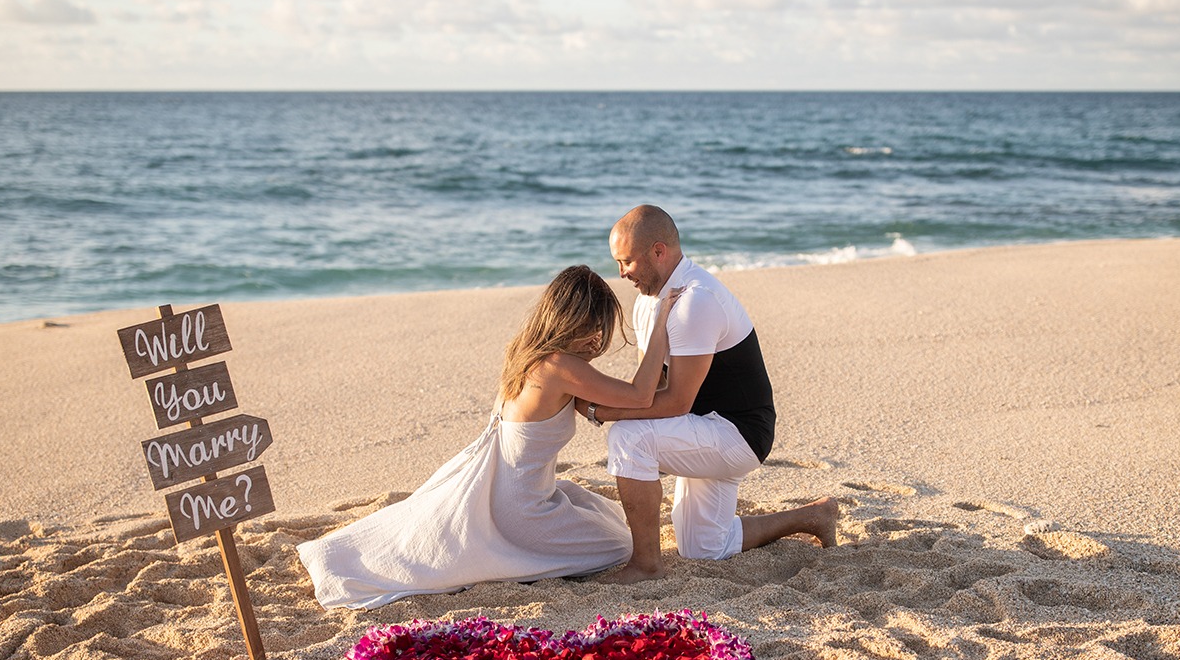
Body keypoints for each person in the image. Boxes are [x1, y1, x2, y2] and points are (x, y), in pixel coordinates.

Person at [298, 265, 684, 608]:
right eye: (594, 326)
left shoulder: (527, 354)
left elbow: (602, 406)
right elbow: (639, 395)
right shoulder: (560, 366)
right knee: (618, 545)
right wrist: (662, 324)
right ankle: (522, 554)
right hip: (521, 508)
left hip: (512, 490)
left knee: (599, 509)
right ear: (572, 320)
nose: (598, 338)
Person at [582, 205, 838, 584]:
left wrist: (600, 411)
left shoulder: (695, 301)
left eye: (627, 262)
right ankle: (813, 516)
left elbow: (676, 402)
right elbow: (648, 389)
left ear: (658, 251)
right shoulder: (648, 301)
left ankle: (645, 565)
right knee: (703, 547)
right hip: (702, 425)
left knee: (627, 437)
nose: (621, 274)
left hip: (737, 434)